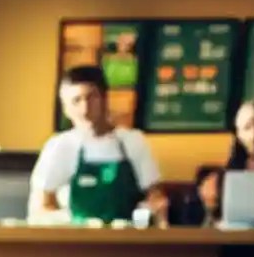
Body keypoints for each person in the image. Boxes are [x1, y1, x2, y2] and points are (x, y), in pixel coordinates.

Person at [29, 65, 167, 226]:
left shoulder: (133, 141)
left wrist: (155, 213)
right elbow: (41, 207)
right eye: (76, 101)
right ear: (66, 108)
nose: (84, 109)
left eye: (91, 98)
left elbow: (155, 196)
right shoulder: (58, 147)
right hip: (74, 243)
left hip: (126, 242)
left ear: (105, 99)